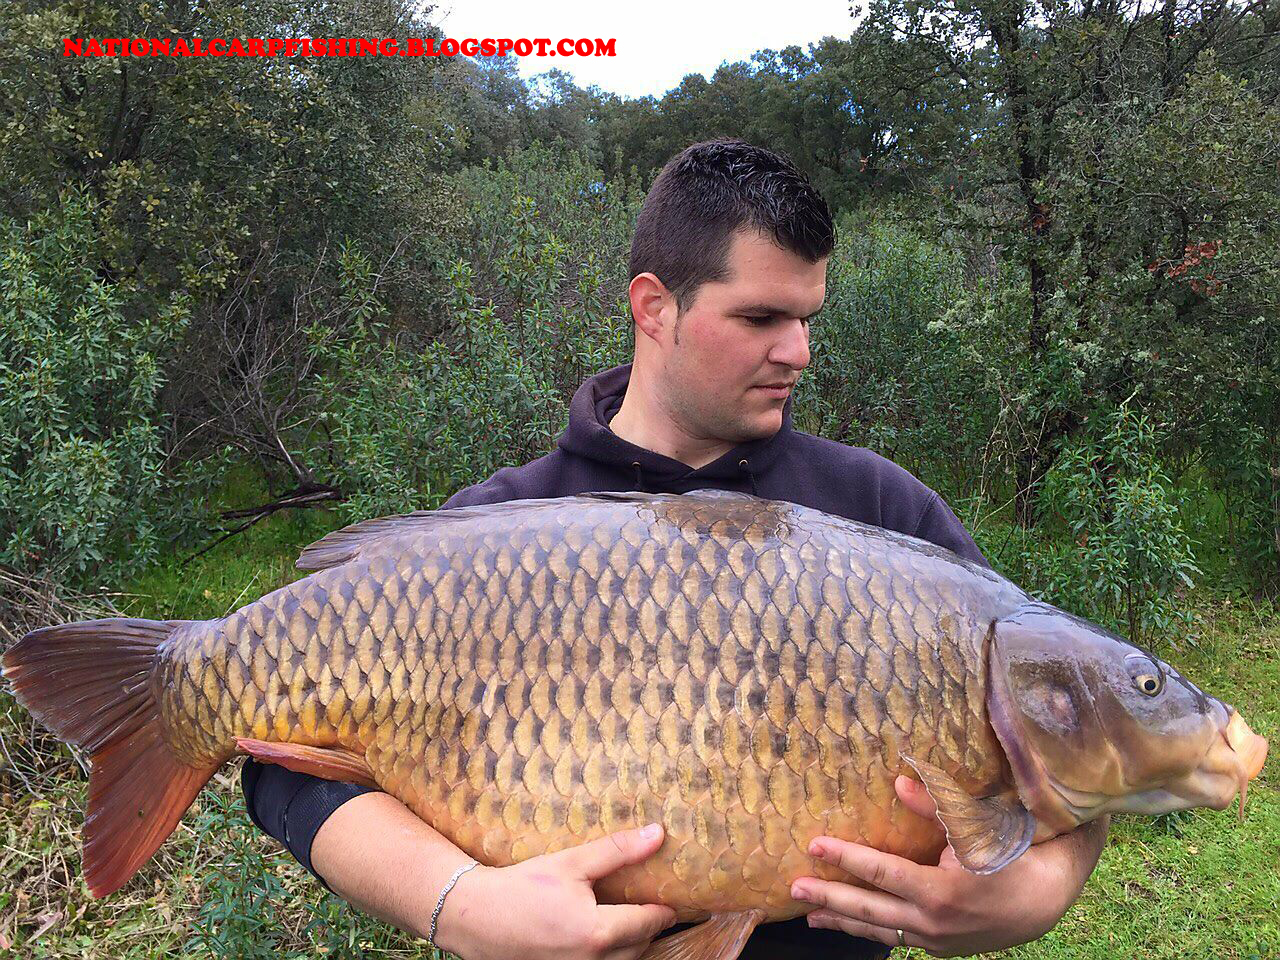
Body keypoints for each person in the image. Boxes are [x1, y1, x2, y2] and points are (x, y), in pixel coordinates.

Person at [241, 138, 1109, 959]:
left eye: (806, 318)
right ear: (655, 307)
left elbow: (1074, 744)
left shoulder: (881, 512)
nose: (799, 352)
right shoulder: (497, 533)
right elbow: (276, 767)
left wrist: (1034, 894)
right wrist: (455, 903)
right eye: (761, 317)